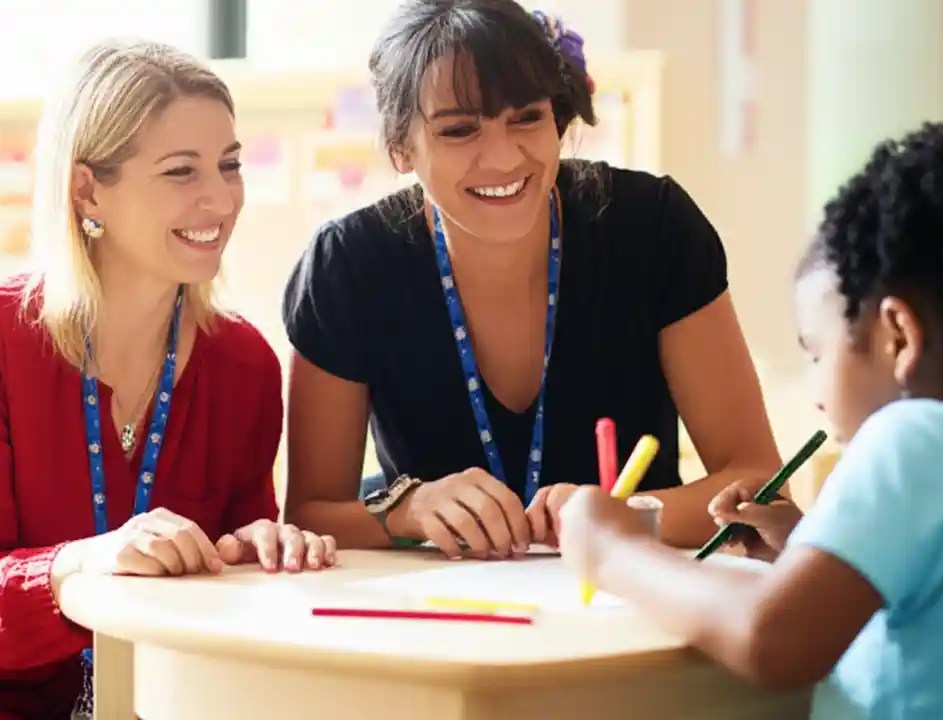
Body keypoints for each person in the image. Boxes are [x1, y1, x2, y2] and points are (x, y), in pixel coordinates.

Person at [0, 39, 336, 720]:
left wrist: (263, 551)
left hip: (128, 697)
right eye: (181, 172)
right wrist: (87, 561)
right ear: (87, 188)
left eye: (230, 165)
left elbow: (234, 566)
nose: (220, 198)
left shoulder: (243, 361)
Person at [557, 119, 943, 719]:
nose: (814, 384)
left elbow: (771, 641)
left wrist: (613, 549)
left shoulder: (914, 442)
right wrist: (808, 550)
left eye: (815, 350)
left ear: (898, 336)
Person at [281, 0, 782, 556]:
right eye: (459, 130)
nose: (501, 158)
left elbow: (758, 479)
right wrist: (408, 508)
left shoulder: (652, 228)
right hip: (437, 621)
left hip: (634, 603)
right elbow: (310, 514)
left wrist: (631, 516)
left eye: (526, 117)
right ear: (402, 148)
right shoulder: (348, 265)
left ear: (558, 117)